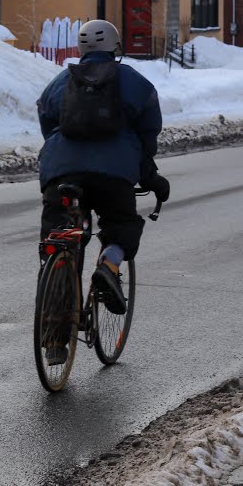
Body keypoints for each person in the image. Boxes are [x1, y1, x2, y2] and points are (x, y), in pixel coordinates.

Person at [35, 19, 170, 363]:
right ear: (116, 45)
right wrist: (148, 174)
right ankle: (109, 265)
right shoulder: (135, 82)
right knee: (121, 225)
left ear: (81, 49)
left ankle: (54, 339)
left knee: (59, 239)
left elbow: (46, 116)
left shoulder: (63, 80)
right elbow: (147, 133)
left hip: (61, 172)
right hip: (114, 172)